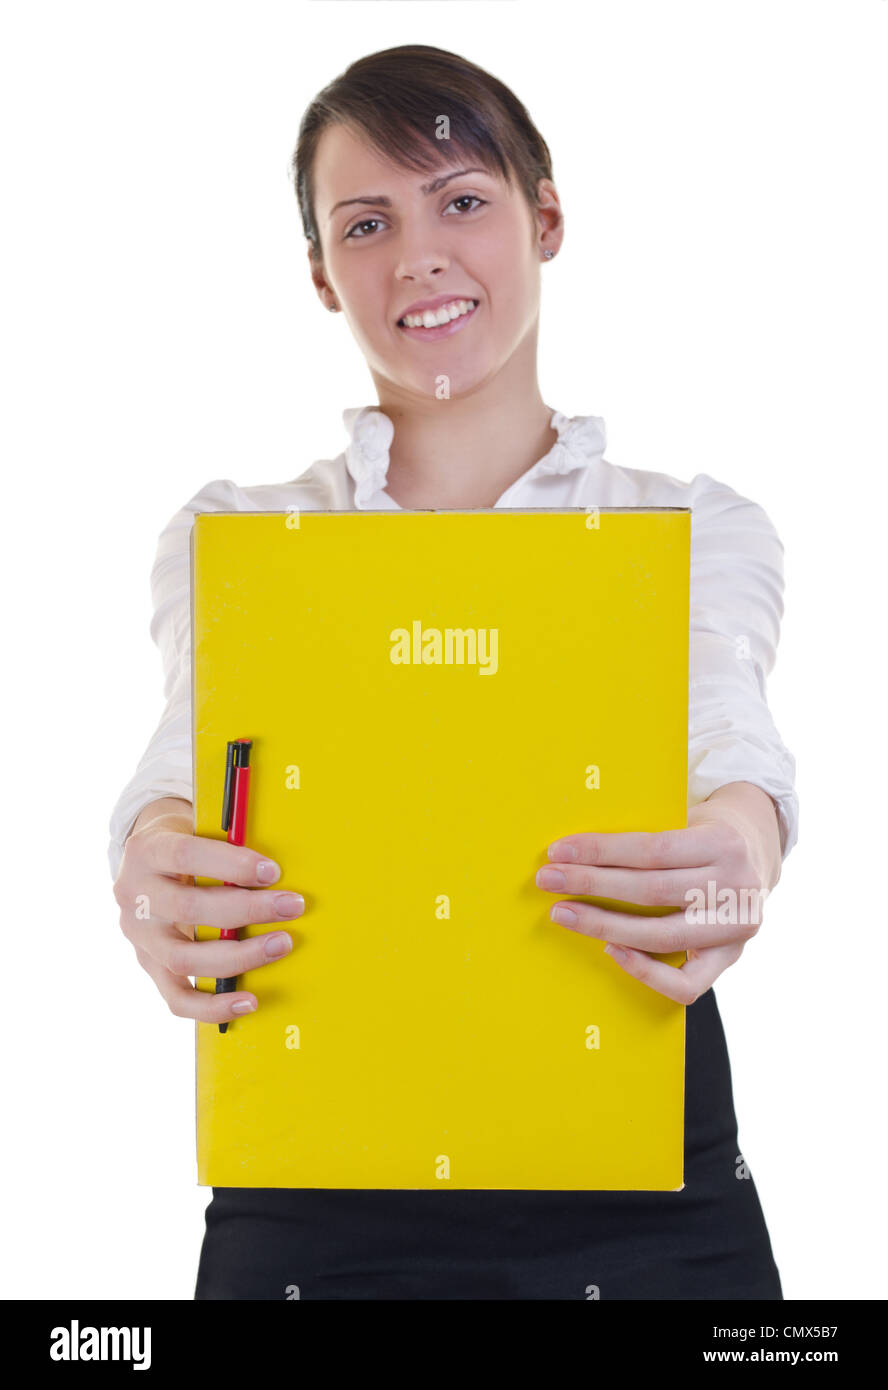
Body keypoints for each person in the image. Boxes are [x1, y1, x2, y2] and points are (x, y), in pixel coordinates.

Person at [109, 44, 798, 1300]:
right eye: (366, 222)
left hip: (643, 1176)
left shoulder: (695, 527)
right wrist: (153, 851)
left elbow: (731, 740)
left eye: (462, 200)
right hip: (314, 1179)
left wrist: (742, 845)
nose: (418, 253)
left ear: (545, 217)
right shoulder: (244, 538)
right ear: (322, 273)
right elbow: (188, 750)